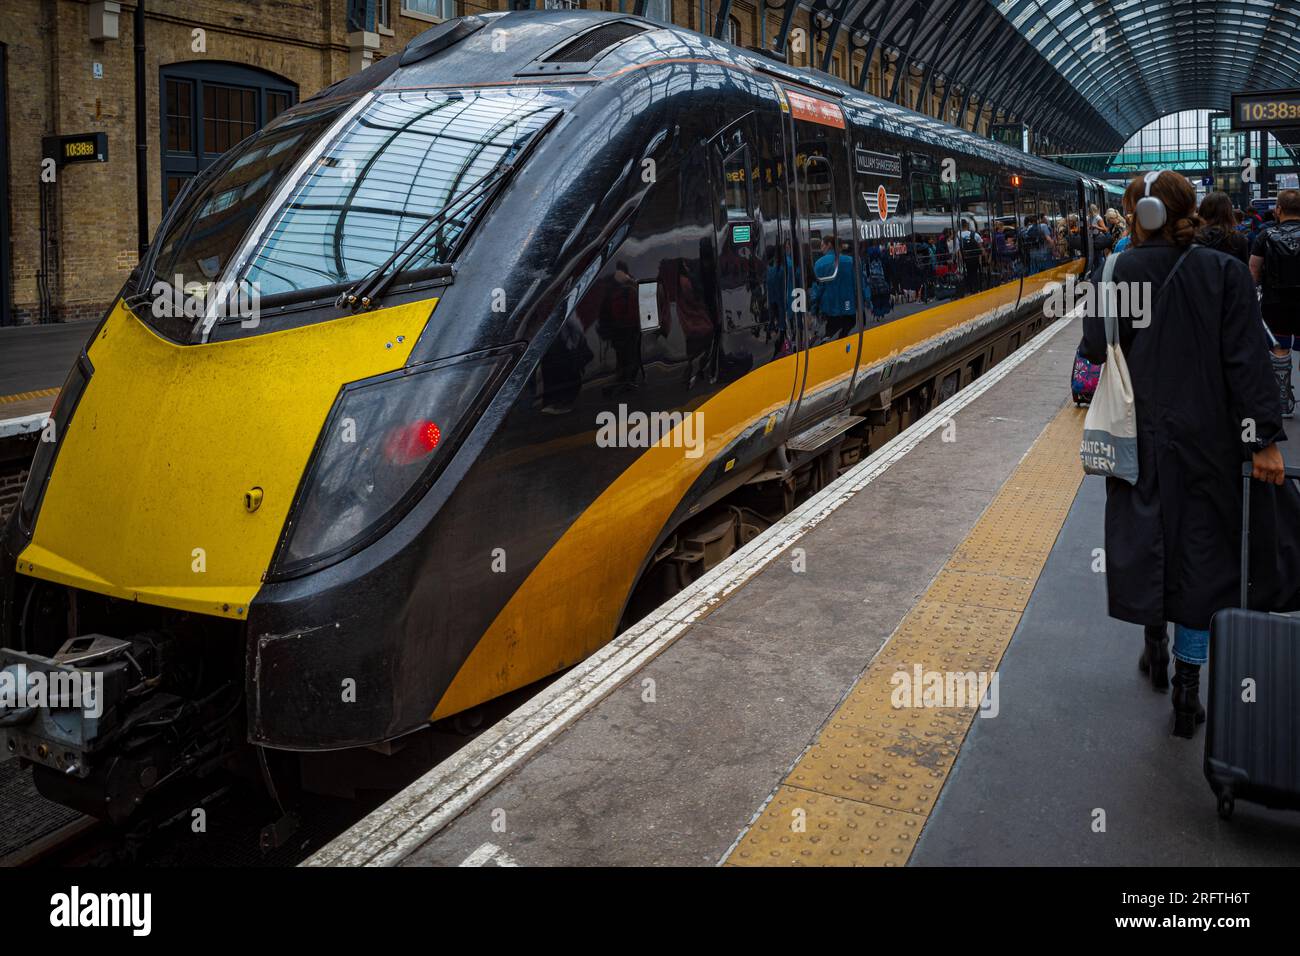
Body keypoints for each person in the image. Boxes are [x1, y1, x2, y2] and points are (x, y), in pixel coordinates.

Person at [1081, 170, 1299, 738]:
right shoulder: (1223, 272)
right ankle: (1186, 690)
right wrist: (1263, 443)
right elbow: (1246, 362)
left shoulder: (1117, 271)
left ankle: (1153, 644)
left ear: (1141, 212)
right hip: (1210, 441)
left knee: (1148, 544)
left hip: (1140, 440)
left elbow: (1092, 348)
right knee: (1202, 562)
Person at [1250, 189, 1300, 418]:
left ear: (1278, 209)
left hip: (1275, 302)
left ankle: (1282, 402)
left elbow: (1253, 270)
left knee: (1279, 348)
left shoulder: (1265, 236)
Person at [810, 235, 856, 340]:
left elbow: (817, 290)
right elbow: (859, 284)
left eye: (822, 246)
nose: (821, 249)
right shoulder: (850, 261)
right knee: (845, 332)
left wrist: (813, 310)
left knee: (830, 333)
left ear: (829, 245)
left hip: (829, 308)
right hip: (848, 306)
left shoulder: (819, 264)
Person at [1197, 190, 1250, 265]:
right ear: (1228, 212)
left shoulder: (1194, 237)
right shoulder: (1239, 239)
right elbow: (1243, 270)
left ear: (1202, 210)